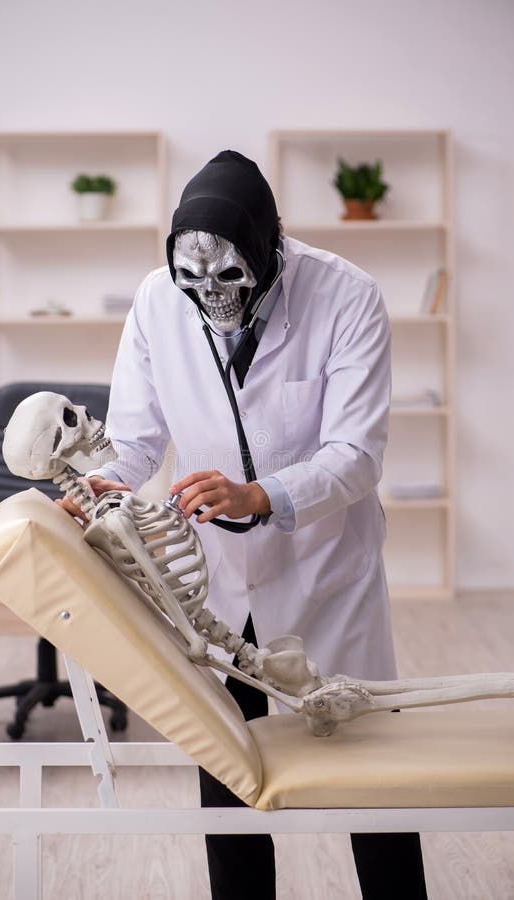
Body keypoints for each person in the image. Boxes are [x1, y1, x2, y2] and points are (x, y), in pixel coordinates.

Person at [59, 150, 428, 900]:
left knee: (372, 778)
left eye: (227, 279)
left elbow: (356, 454)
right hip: (215, 587)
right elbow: (134, 439)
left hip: (326, 574)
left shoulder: (345, 296)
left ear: (268, 251)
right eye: (192, 282)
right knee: (227, 777)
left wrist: (258, 495)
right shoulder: (157, 302)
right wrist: (101, 482)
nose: (209, 297)